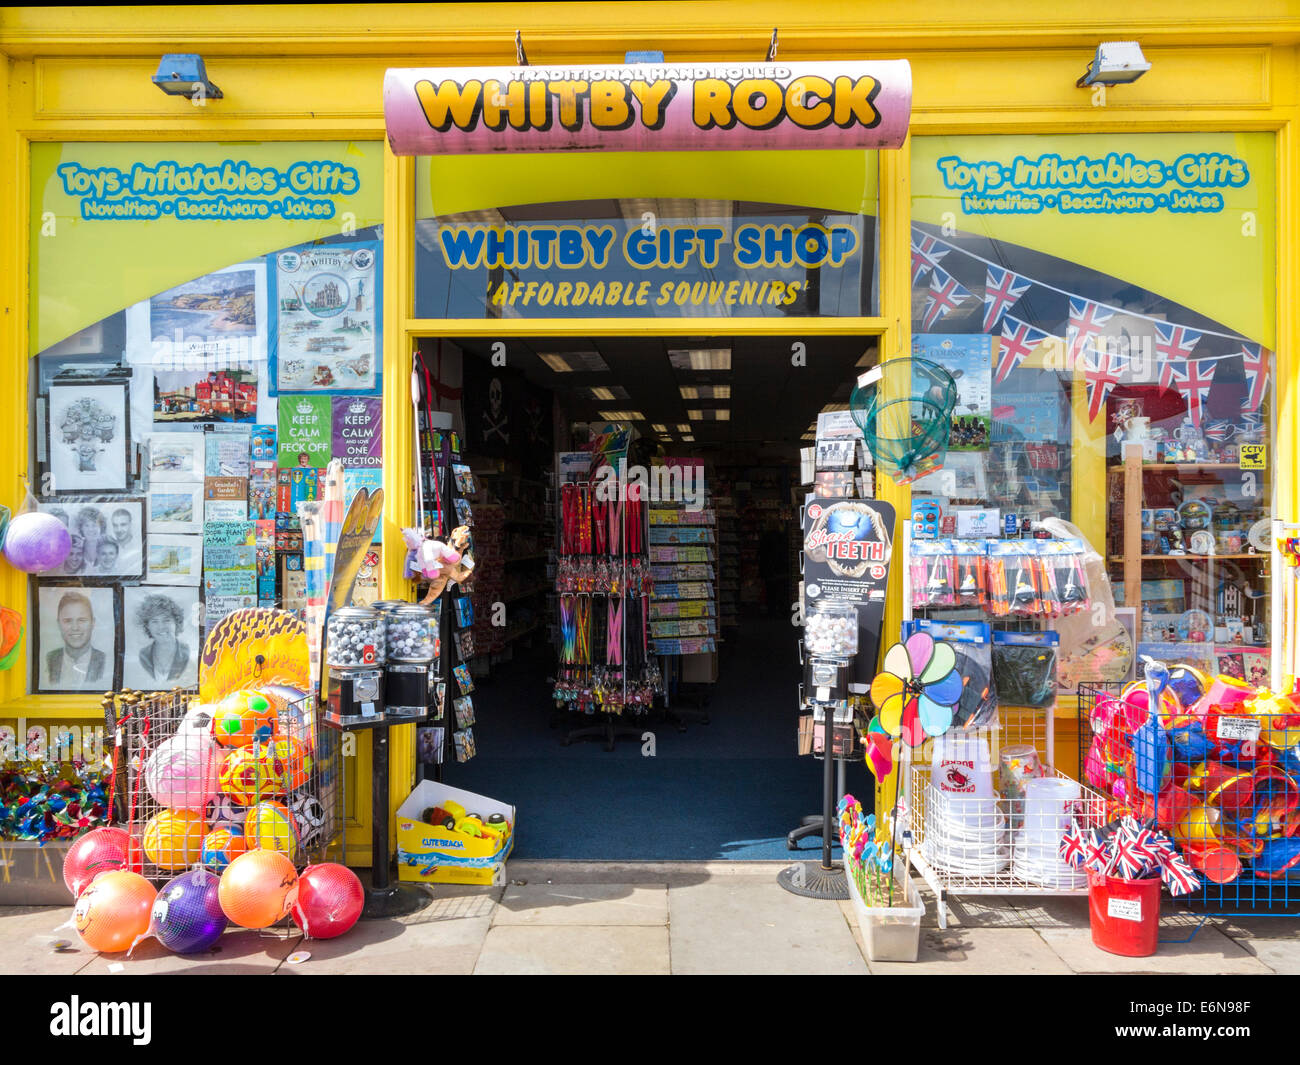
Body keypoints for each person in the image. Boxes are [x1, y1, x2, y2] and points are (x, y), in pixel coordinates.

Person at [45, 591, 107, 689]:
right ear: (58, 624)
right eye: (68, 621)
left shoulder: (105, 660)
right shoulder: (49, 660)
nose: (75, 627)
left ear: (93, 623)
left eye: (82, 620)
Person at [134, 593, 190, 686]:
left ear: (176, 622)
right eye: (154, 621)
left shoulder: (188, 652)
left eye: (166, 620)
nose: (161, 627)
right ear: (147, 626)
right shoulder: (143, 655)